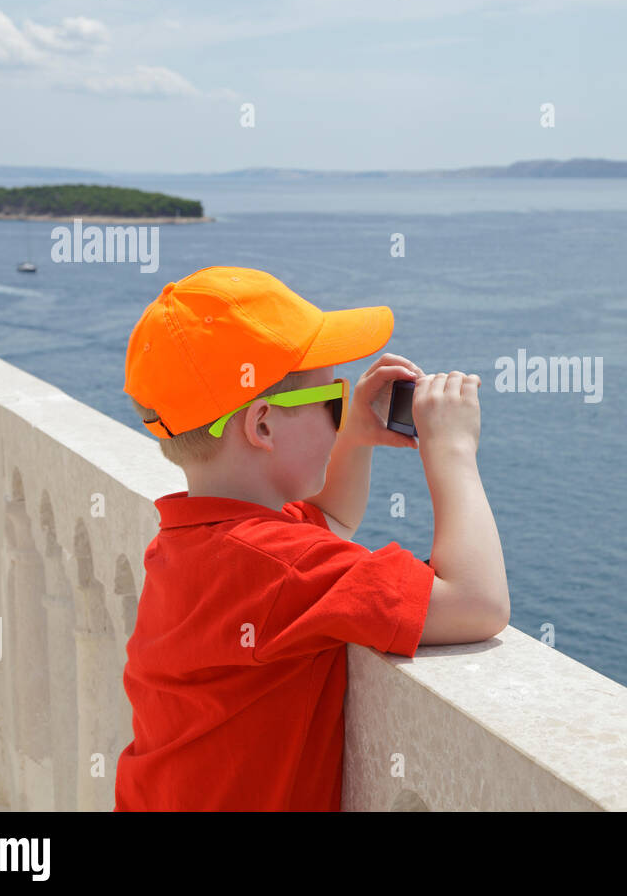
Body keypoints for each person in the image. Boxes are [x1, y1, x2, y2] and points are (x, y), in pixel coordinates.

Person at [114, 266, 508, 810]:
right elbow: (477, 603)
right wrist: (453, 453)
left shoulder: (193, 540)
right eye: (331, 399)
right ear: (263, 426)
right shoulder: (280, 567)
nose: (340, 411)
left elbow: (330, 519)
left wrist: (350, 437)